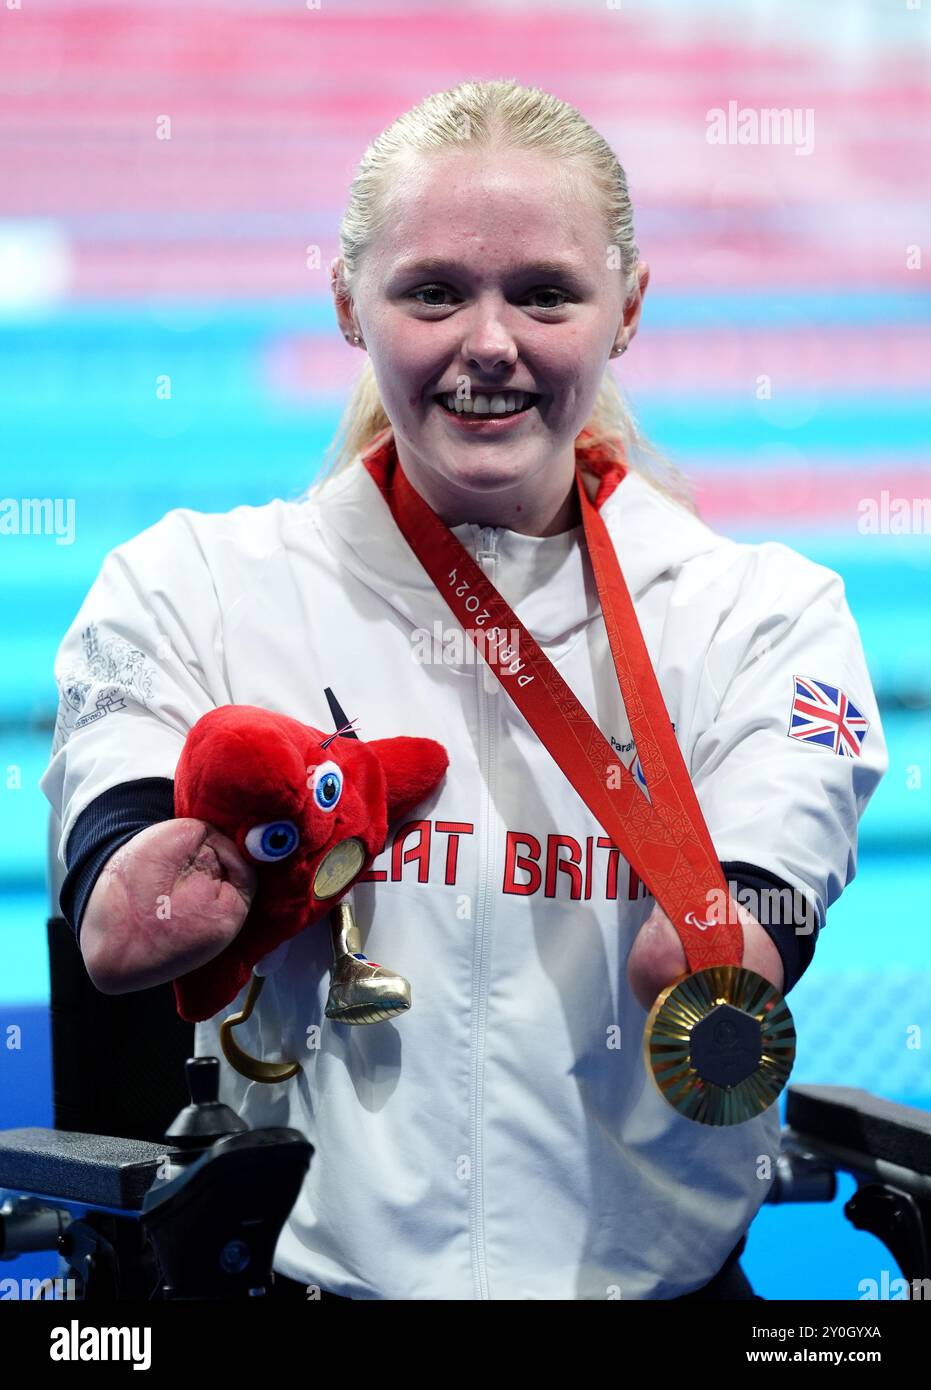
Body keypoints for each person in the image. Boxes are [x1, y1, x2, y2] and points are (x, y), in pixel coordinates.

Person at [40, 79, 887, 1300]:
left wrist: (731, 937)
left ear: (629, 310)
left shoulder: (762, 617)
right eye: (433, 290)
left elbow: (749, 912)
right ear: (347, 303)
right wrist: (142, 868)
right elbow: (123, 905)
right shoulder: (192, 589)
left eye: (543, 293)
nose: (488, 342)